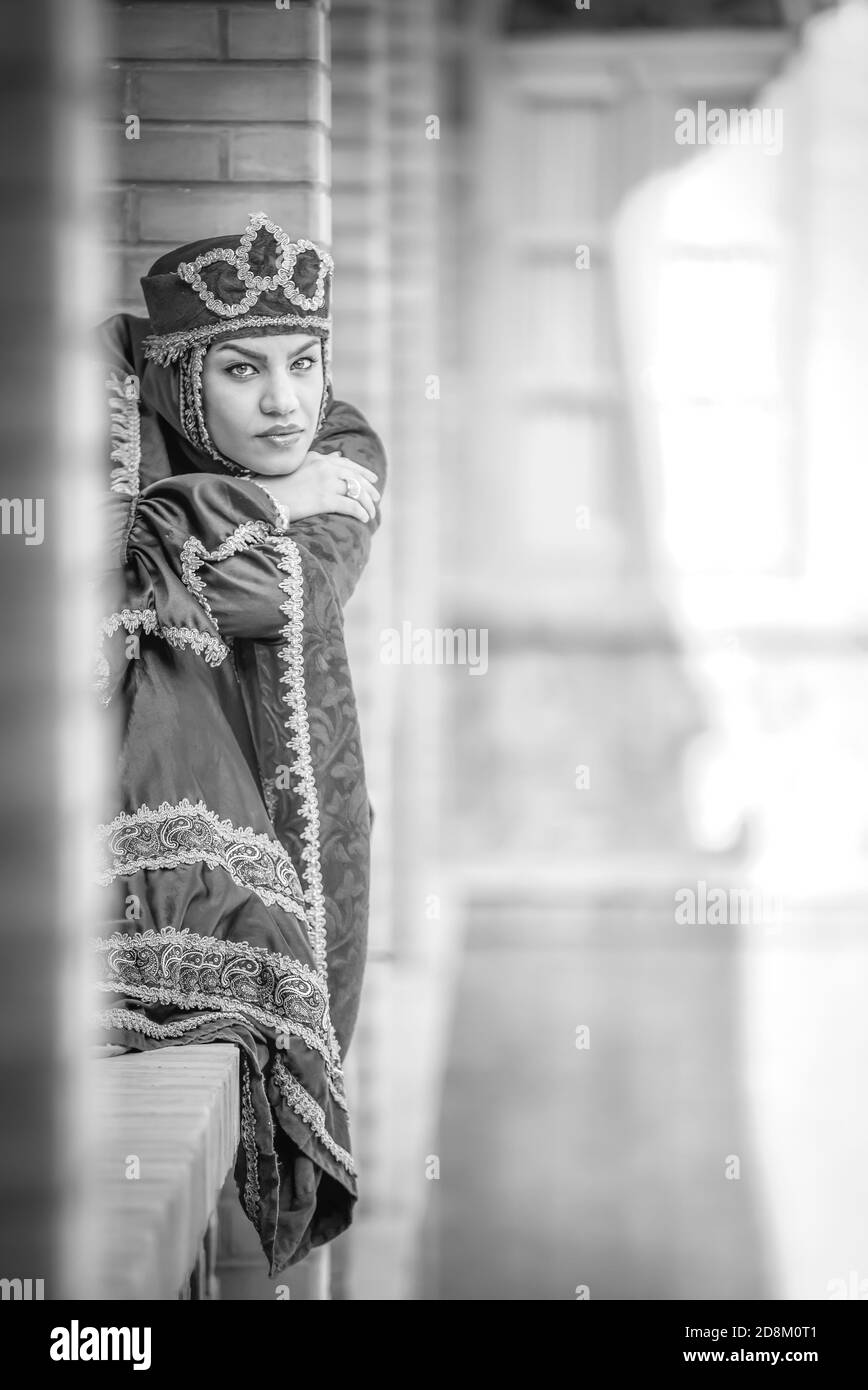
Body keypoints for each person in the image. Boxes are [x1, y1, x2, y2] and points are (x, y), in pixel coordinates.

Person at [93, 211, 386, 1274]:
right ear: (177, 380)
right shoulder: (107, 427)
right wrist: (265, 497)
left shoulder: (343, 449)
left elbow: (261, 588)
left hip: (284, 807)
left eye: (303, 364)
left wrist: (185, 521)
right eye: (243, 369)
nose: (284, 403)